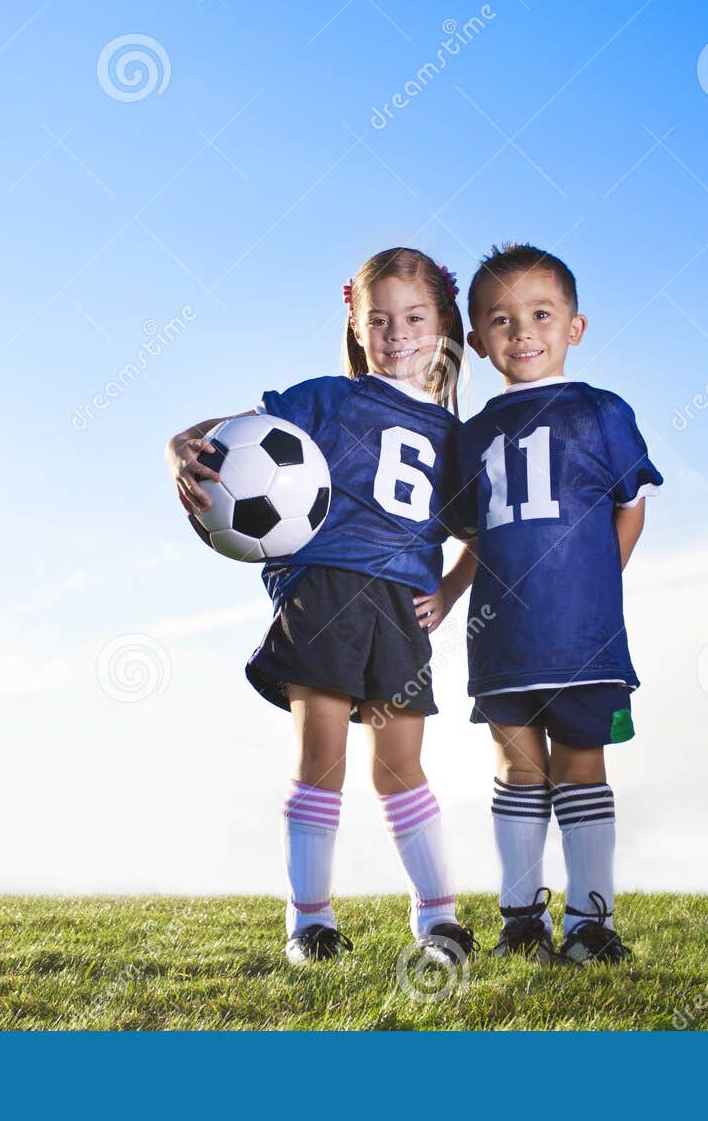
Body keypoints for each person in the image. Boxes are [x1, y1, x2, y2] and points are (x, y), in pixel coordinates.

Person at [165, 248, 476, 966]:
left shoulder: (454, 438)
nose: (397, 333)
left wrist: (452, 591)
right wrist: (175, 446)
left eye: (415, 317)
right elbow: (220, 437)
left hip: (402, 603)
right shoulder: (323, 399)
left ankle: (439, 917)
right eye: (379, 319)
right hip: (322, 591)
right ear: (355, 323)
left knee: (401, 763)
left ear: (442, 324)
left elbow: (482, 535)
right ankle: (309, 920)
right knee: (322, 754)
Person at [443, 242, 663, 965]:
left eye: (541, 313)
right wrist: (447, 594)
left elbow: (629, 508)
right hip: (503, 641)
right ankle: (519, 920)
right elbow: (476, 537)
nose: (523, 331)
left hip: (584, 640)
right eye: (501, 320)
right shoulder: (470, 436)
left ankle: (588, 923)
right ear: (477, 339)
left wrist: (599, 579)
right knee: (516, 773)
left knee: (581, 766)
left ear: (576, 325)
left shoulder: (602, 413)